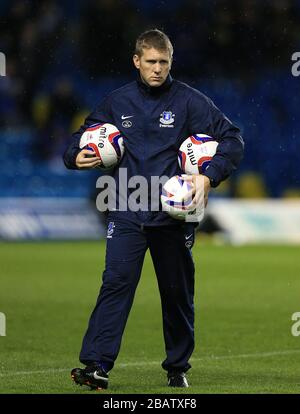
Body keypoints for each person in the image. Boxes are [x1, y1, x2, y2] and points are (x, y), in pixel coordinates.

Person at [63, 29, 244, 390]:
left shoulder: (191, 102)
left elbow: (233, 139)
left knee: (176, 293)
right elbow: (81, 137)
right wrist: (74, 156)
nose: (157, 69)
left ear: (170, 61)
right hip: (127, 210)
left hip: (174, 215)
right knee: (115, 283)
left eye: (163, 62)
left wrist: (208, 177)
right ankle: (97, 366)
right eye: (151, 62)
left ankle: (177, 367)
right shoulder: (117, 102)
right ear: (136, 61)